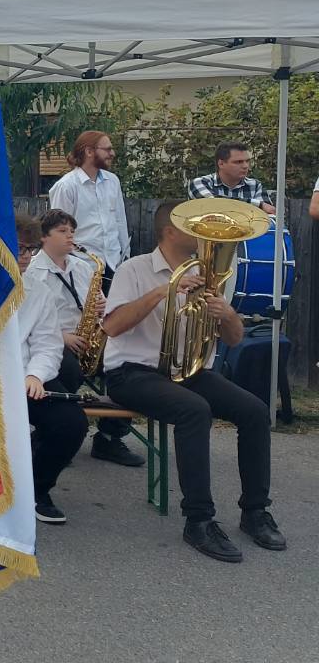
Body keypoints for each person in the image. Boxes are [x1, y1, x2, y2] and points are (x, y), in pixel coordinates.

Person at [102, 201, 287, 563]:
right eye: (195, 227)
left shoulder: (208, 275)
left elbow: (233, 339)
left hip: (186, 371)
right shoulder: (133, 269)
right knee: (195, 411)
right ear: (170, 231)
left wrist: (227, 313)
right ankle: (199, 520)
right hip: (131, 373)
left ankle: (254, 511)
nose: (204, 235)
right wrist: (166, 290)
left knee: (254, 411)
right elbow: (112, 326)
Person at [26, 209, 144, 468]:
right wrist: (63, 337)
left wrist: (103, 307)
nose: (70, 237)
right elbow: (31, 319)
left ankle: (110, 436)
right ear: (43, 237)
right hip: (57, 339)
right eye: (63, 231)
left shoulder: (83, 266)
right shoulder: (32, 271)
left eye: (72, 232)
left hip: (88, 336)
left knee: (128, 365)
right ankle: (52, 434)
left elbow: (97, 302)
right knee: (66, 367)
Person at [12, 216, 88, 524]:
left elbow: (47, 345)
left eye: (31, 249)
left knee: (71, 423)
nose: (27, 256)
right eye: (20, 249)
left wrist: (35, 375)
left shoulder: (37, 291)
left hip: (26, 380)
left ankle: (36, 489)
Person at [47, 131, 130, 281]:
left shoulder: (113, 181)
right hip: (82, 267)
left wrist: (126, 256)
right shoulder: (66, 186)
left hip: (114, 264)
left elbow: (120, 221)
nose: (112, 153)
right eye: (107, 149)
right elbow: (58, 230)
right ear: (89, 151)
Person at [188, 142, 277, 215]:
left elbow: (266, 218)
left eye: (247, 161)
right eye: (238, 162)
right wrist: (259, 204)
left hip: (248, 236)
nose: (245, 166)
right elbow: (213, 203)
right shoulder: (200, 182)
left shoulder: (255, 185)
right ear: (221, 164)